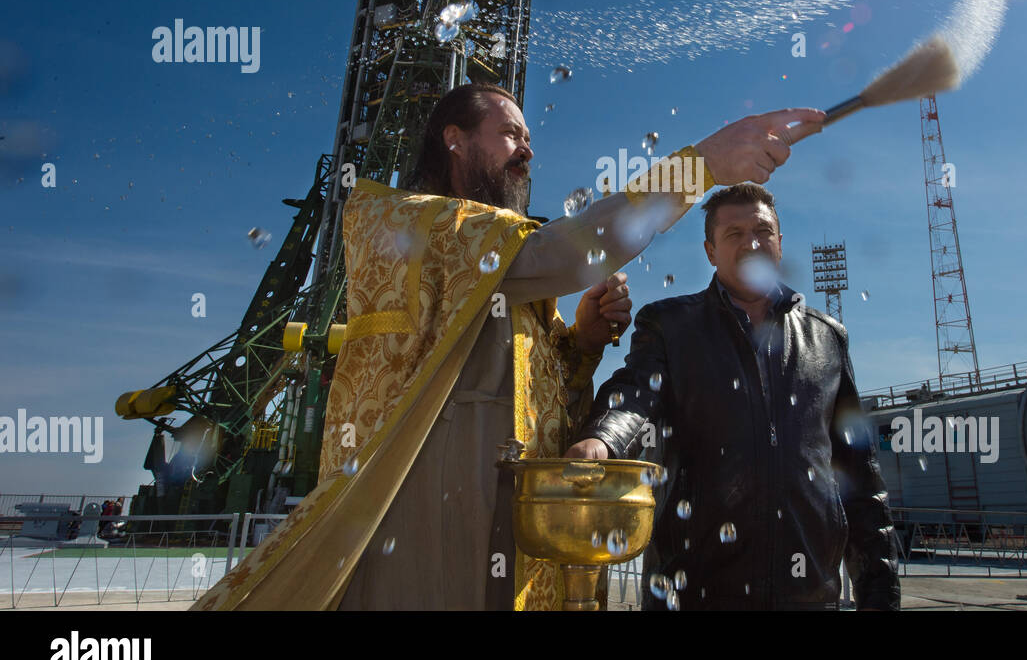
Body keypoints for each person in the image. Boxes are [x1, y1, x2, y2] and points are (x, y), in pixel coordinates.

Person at [192, 84, 824, 611]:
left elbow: (540, 397)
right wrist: (703, 164)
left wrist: (582, 342)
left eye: (527, 139)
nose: (527, 150)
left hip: (507, 529)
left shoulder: (502, 268)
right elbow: (566, 252)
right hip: (422, 524)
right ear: (454, 138)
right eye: (511, 134)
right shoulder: (401, 219)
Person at [567, 183, 901, 611]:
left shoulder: (828, 339)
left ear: (780, 244)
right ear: (710, 251)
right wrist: (604, 438)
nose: (752, 243)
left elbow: (862, 483)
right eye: (734, 234)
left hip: (809, 594)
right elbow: (634, 392)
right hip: (693, 593)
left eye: (763, 231)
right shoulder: (671, 326)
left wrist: (880, 597)